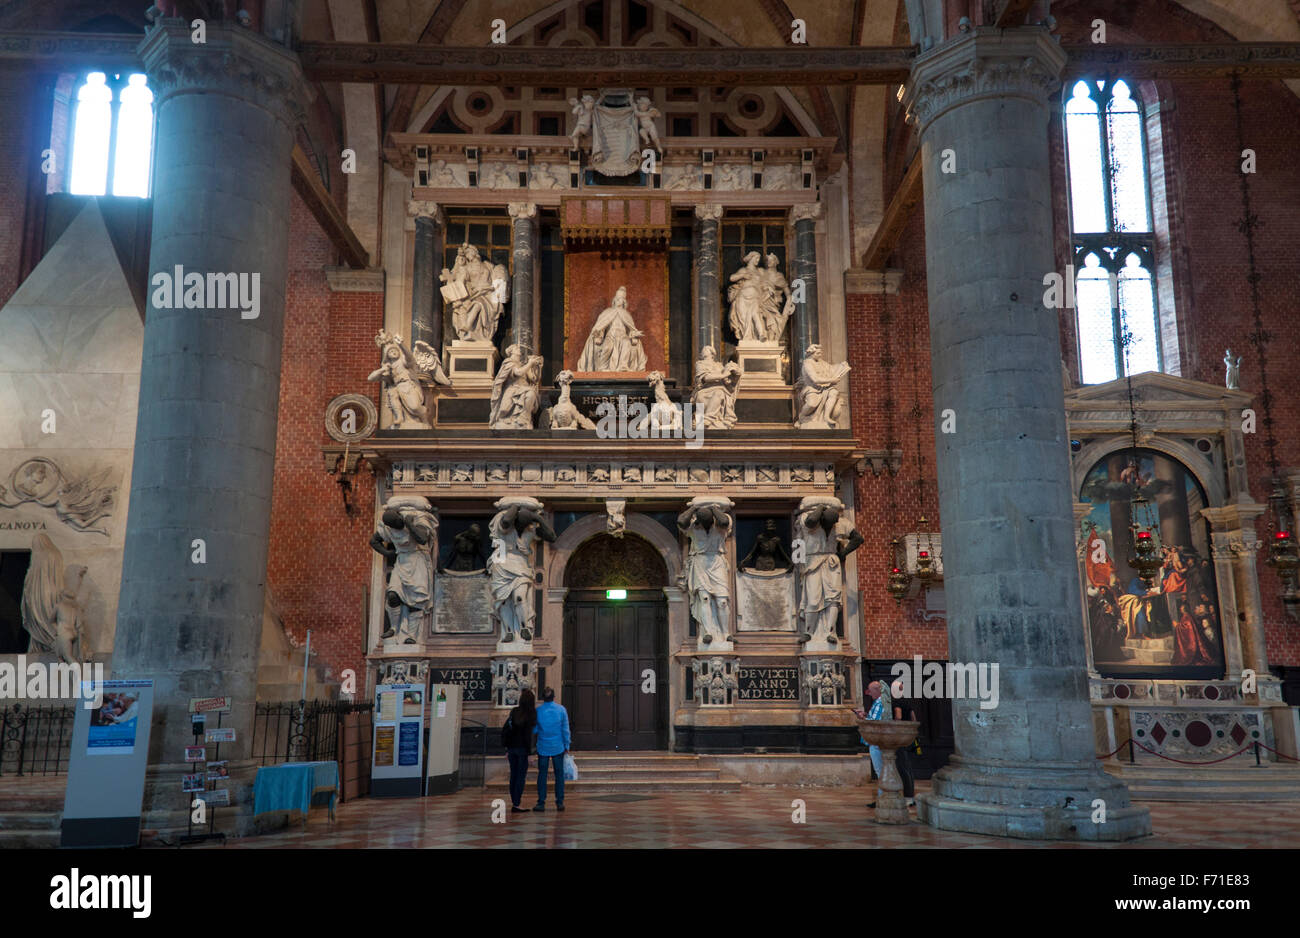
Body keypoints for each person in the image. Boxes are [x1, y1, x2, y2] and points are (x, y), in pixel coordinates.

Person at [533, 687, 571, 812]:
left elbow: (535, 730)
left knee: (542, 774)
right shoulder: (561, 710)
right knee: (559, 774)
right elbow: (565, 729)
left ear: (543, 698)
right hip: (558, 746)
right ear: (554, 697)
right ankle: (560, 802)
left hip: (543, 746)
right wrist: (567, 744)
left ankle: (541, 802)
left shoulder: (538, 711)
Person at [500, 688, 537, 813]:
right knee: (521, 776)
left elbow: (507, 730)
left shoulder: (514, 711)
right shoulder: (531, 714)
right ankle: (516, 803)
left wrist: (507, 748)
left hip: (512, 748)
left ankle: (514, 801)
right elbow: (529, 735)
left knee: (514, 775)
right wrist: (531, 753)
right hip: (523, 749)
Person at [857, 680, 891, 809]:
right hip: (879, 741)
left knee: (880, 771)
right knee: (882, 771)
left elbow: (874, 722)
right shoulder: (881, 702)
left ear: (877, 690)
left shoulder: (880, 702)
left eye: (870, 691)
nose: (869, 694)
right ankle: (883, 797)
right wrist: (866, 715)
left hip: (876, 742)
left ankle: (883, 799)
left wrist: (862, 718)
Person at [891, 679, 918, 808]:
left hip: (899, 738)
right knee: (908, 768)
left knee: (902, 767)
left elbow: (898, 717)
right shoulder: (907, 702)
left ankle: (907, 796)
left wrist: (894, 727)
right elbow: (914, 719)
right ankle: (910, 795)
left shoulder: (897, 702)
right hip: (908, 737)